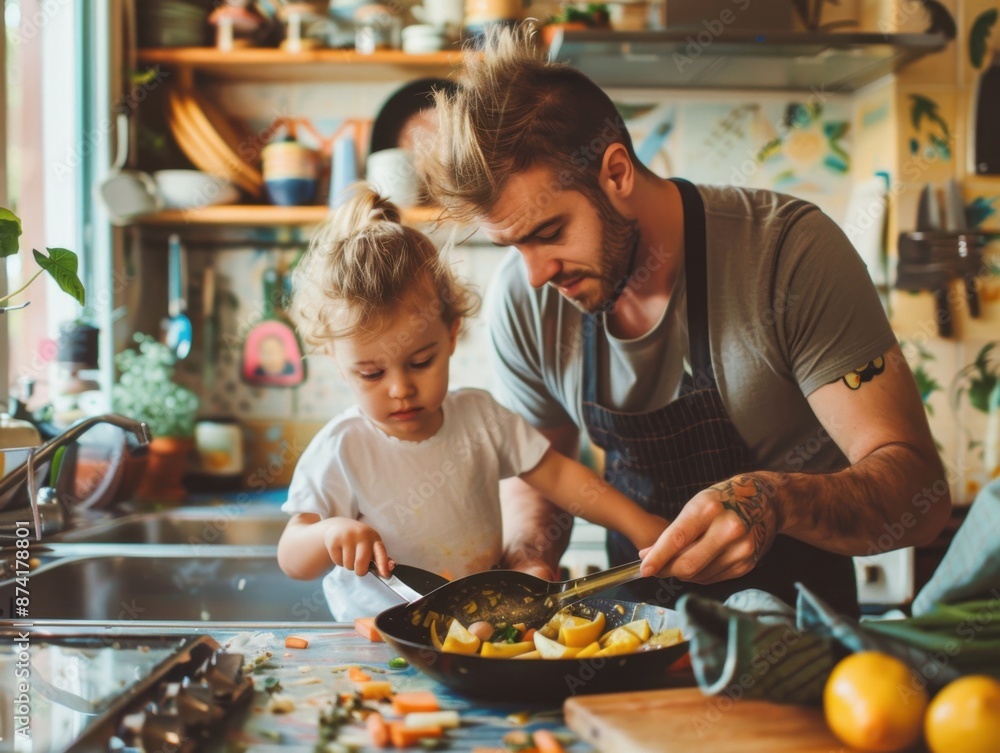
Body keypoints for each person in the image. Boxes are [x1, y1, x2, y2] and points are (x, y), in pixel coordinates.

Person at [419, 25, 951, 616]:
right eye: (512, 247)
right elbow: (535, 469)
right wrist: (530, 559)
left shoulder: (788, 255)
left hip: (799, 647)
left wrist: (775, 499)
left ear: (616, 173)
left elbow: (921, 500)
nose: (537, 274)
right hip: (633, 638)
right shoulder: (526, 298)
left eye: (549, 234)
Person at [276, 185, 667, 621]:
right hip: (373, 643)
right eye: (372, 374)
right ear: (335, 357)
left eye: (421, 361)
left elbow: (558, 474)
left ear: (451, 334)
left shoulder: (481, 418)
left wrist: (639, 525)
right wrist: (330, 533)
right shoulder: (342, 448)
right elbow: (292, 556)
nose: (400, 389)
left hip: (477, 631)